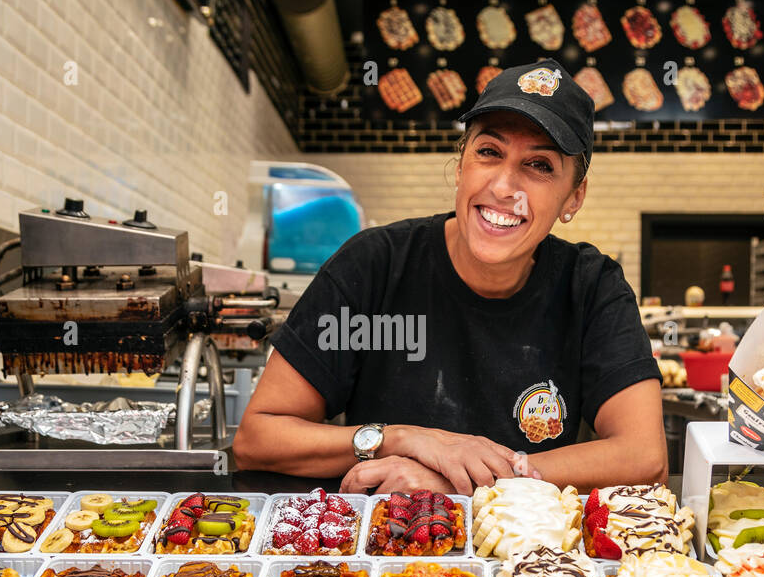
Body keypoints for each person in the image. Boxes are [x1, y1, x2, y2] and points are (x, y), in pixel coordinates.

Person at [232, 59, 666, 494]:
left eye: (540, 165)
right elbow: (257, 439)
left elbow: (644, 458)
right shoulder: (374, 266)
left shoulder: (592, 288)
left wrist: (468, 481)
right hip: (385, 549)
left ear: (574, 196)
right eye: (489, 152)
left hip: (534, 555)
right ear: (461, 166)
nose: (503, 186)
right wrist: (405, 440)